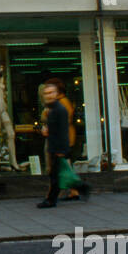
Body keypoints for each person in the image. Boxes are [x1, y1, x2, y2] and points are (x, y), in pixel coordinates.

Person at [37, 79, 89, 208]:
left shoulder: (60, 108)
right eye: (46, 93)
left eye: (51, 92)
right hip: (56, 146)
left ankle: (52, 199)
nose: (48, 95)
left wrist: (61, 149)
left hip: (58, 147)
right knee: (60, 173)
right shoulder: (54, 107)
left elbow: (62, 129)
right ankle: (78, 189)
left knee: (57, 175)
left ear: (56, 93)